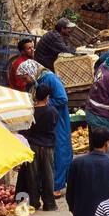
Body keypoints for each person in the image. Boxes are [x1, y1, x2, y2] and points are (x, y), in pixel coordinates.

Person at [15, 81, 57, 211]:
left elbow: (24, 129)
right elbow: (54, 124)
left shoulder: (30, 112)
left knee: (32, 175)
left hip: (32, 146)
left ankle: (34, 202)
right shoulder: (52, 111)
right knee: (48, 175)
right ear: (47, 97)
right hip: (47, 146)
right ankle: (49, 203)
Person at [35, 65, 73, 197]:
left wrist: (44, 103)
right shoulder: (38, 79)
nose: (25, 80)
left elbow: (62, 99)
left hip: (59, 121)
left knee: (60, 151)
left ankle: (57, 186)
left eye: (25, 77)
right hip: (51, 120)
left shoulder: (50, 79)